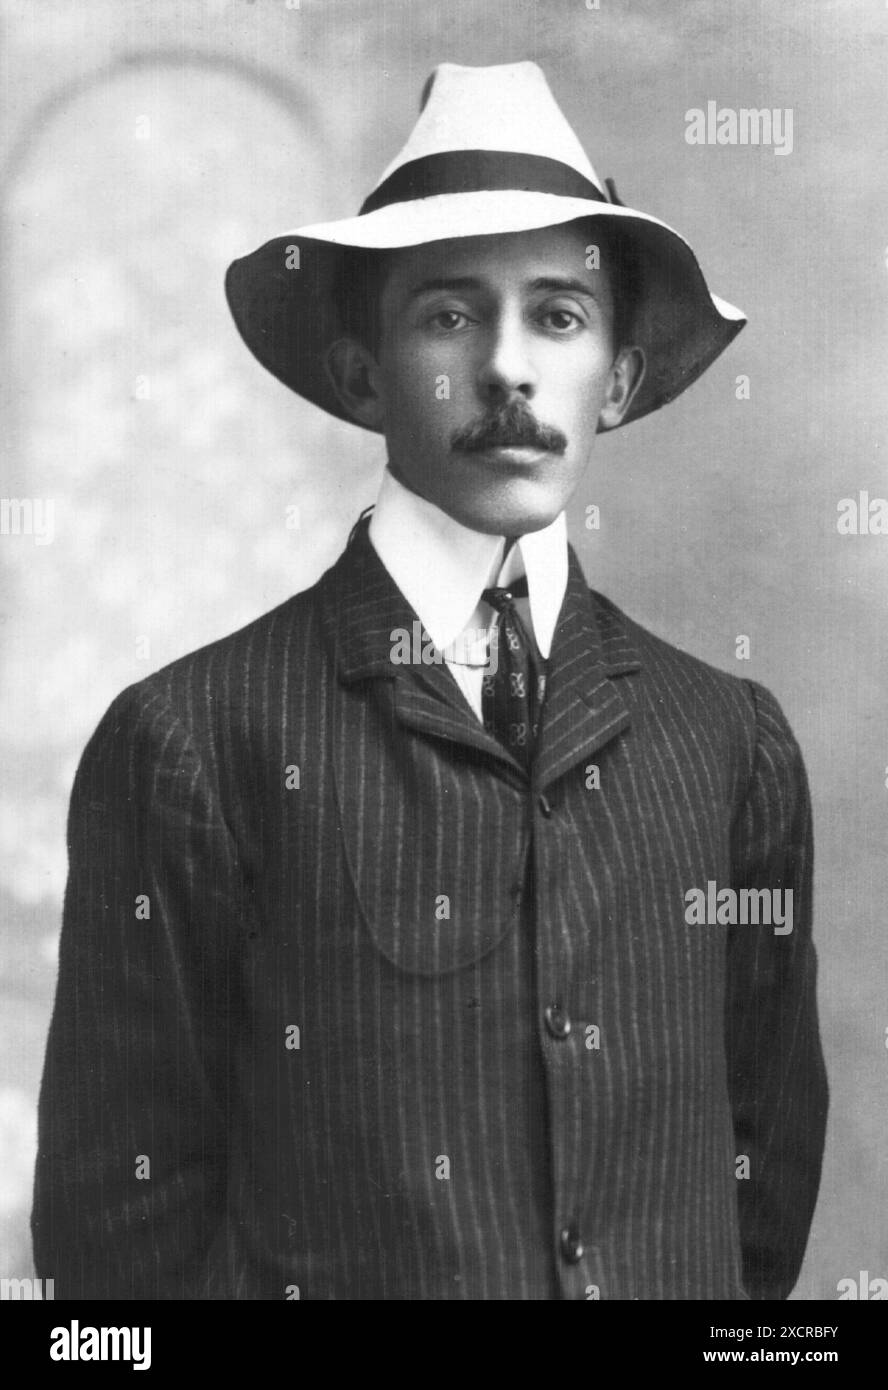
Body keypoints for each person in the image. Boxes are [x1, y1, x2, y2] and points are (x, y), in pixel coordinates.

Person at [32, 60, 828, 1301]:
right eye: (451, 316)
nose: (508, 368)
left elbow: (759, 1184)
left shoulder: (726, 742)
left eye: (559, 315)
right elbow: (115, 1239)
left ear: (614, 379)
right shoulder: (195, 742)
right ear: (361, 375)